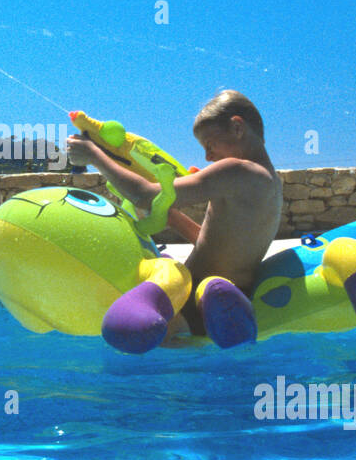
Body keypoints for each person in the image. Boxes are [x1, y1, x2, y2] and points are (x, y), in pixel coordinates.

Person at [66, 89, 282, 347]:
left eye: (210, 145)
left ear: (237, 127)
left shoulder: (236, 170)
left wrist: (94, 156)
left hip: (191, 304)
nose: (208, 157)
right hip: (225, 304)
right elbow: (221, 243)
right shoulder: (270, 181)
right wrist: (171, 217)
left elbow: (144, 195)